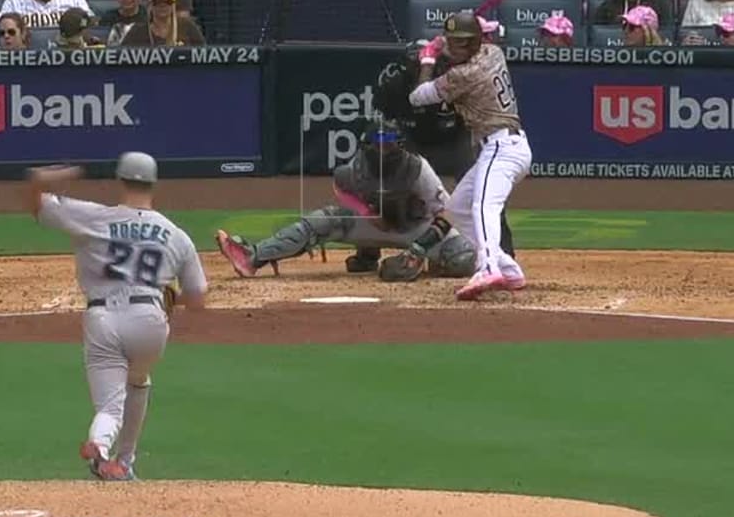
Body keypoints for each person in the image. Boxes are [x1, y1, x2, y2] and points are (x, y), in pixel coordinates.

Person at [24, 153, 208, 482]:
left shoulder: (94, 217)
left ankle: (99, 443)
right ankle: (125, 462)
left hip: (103, 318)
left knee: (110, 406)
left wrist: (41, 180)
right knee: (138, 381)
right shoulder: (176, 235)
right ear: (154, 184)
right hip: (150, 321)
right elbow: (198, 299)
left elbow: (37, 204)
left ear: (119, 181)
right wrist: (171, 296)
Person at [215, 119, 476, 282]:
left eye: (389, 143)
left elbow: (446, 212)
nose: (384, 149)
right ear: (367, 146)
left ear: (400, 146)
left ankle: (426, 261)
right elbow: (341, 188)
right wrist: (366, 212)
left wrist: (420, 249)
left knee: (463, 258)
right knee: (322, 221)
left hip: (415, 228)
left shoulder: (418, 169)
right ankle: (253, 257)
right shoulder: (358, 167)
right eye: (378, 143)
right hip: (374, 225)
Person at [407, 10, 530, 300]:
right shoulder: (493, 51)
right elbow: (461, 53)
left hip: (502, 148)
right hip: (501, 147)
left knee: (482, 207)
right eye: (453, 40)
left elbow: (417, 96)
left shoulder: (465, 75)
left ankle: (487, 267)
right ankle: (507, 267)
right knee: (457, 210)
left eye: (461, 41)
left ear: (475, 42)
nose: (455, 45)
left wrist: (428, 58)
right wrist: (447, 47)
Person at [117, 0, 206, 46]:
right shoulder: (137, 31)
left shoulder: (187, 26)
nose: (162, 5)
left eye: (167, 1)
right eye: (157, 2)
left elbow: (203, 55)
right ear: (150, 5)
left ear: (174, 4)